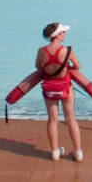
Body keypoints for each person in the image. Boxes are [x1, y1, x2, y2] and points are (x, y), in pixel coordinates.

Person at [36, 22, 83, 162]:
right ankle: (78, 152)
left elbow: (38, 67)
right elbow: (77, 66)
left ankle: (55, 152)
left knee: (52, 119)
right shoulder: (67, 51)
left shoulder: (41, 51)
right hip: (65, 87)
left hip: (49, 87)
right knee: (70, 119)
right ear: (57, 35)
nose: (65, 34)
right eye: (63, 32)